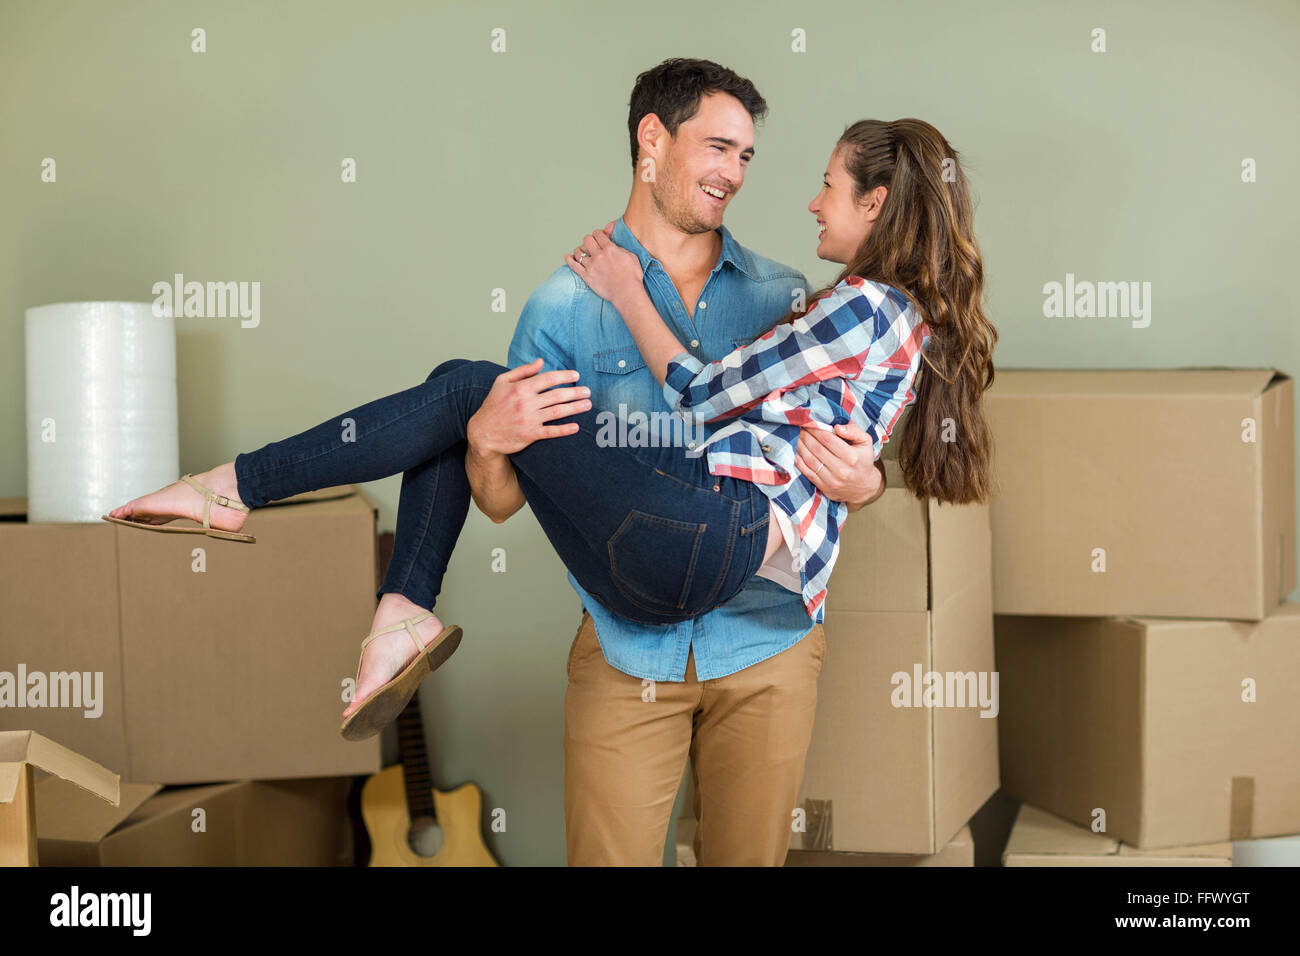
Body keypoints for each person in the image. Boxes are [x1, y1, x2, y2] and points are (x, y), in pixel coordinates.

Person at [107, 58, 997, 865]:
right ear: (654, 139)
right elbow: (499, 501)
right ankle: (349, 573)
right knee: (468, 405)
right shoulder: (563, 305)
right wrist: (491, 444)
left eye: (749, 157)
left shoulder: (793, 294)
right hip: (628, 634)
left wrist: (869, 481)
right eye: (719, 147)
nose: (738, 173)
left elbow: (833, 431)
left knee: (457, 389)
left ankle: (290, 530)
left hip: (764, 638)